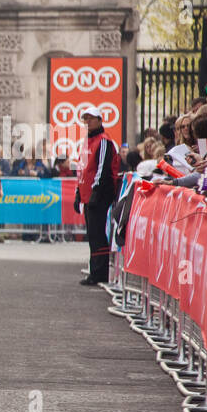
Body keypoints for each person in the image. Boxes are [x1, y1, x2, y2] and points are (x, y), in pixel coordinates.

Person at [72, 108, 120, 286]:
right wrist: (78, 193)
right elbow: (82, 168)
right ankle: (96, 271)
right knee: (92, 233)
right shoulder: (87, 141)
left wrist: (96, 192)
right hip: (88, 192)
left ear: (99, 120)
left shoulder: (104, 141)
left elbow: (102, 168)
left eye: (91, 119)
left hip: (99, 192)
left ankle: (100, 272)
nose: (88, 122)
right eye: (86, 119)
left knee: (97, 233)